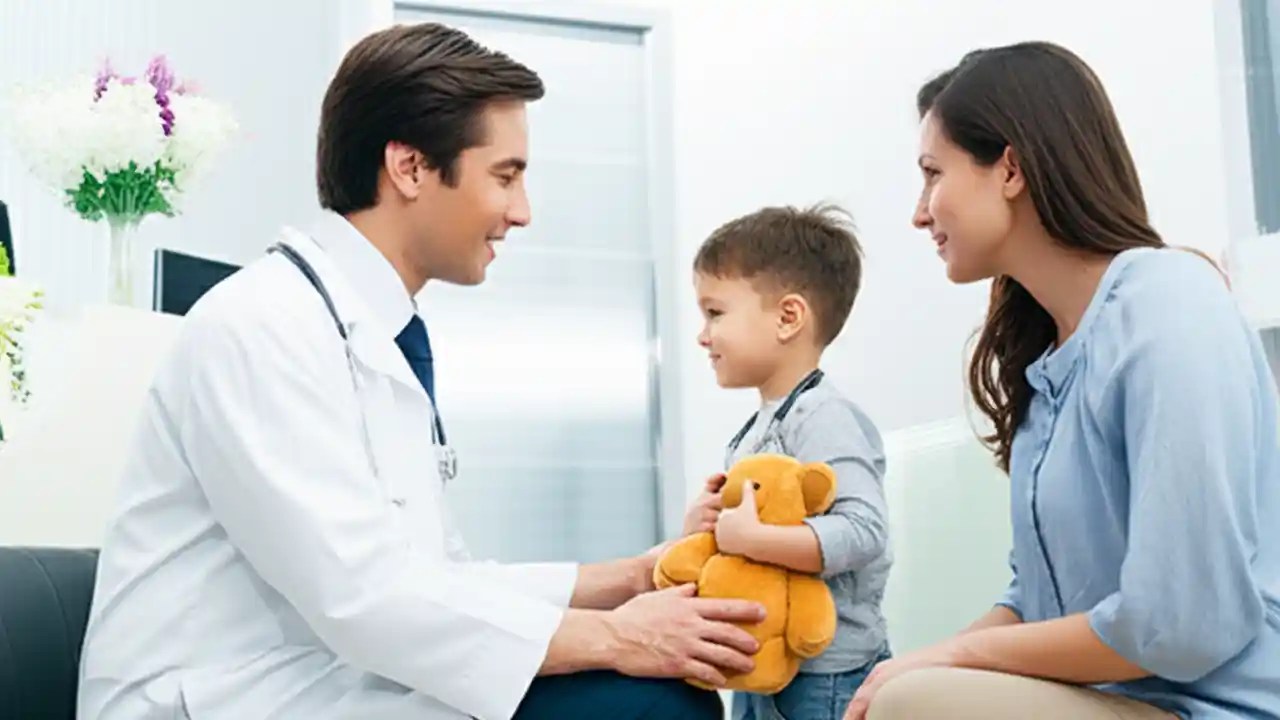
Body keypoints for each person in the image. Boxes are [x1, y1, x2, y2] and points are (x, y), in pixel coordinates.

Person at [77, 22, 767, 720]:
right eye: (506, 175)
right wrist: (619, 635)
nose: (522, 213)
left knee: (651, 696)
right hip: (210, 698)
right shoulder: (262, 326)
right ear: (408, 168)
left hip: (317, 677)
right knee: (642, 706)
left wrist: (634, 578)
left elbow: (437, 583)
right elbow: (365, 596)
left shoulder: (376, 333)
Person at [844, 41, 1280, 720]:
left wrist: (949, 663)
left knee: (916, 703)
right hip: (1114, 700)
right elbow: (1034, 601)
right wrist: (913, 663)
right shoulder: (1047, 362)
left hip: (1218, 707)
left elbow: (1182, 621)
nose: (920, 211)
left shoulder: (1167, 302)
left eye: (934, 173)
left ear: (1010, 168)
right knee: (897, 692)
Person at [682, 204, 893, 720]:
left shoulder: (825, 417)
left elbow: (865, 531)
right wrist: (703, 530)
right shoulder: (756, 431)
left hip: (828, 676)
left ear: (788, 317)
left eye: (715, 313)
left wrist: (752, 539)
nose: (702, 335)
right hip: (765, 665)